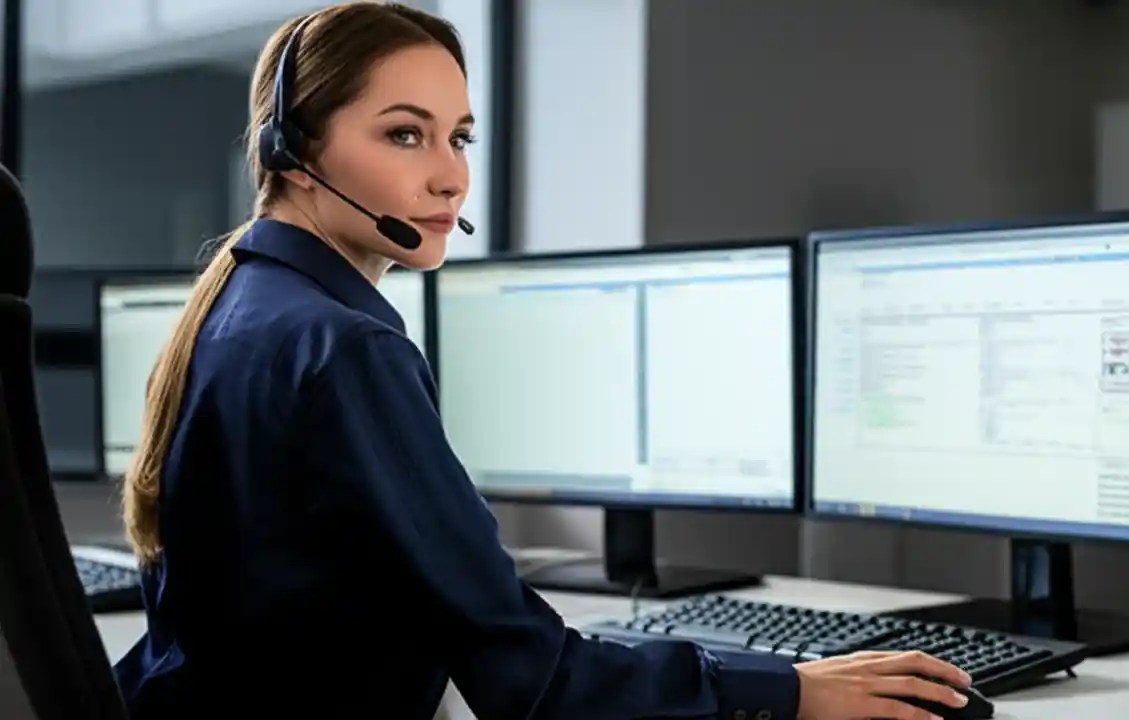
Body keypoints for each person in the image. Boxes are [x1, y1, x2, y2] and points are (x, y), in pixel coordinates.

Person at [112, 3, 974, 718]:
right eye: (406, 136)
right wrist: (788, 690)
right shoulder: (344, 345)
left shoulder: (239, 305)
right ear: (292, 152)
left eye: (461, 138)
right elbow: (529, 677)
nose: (451, 177)